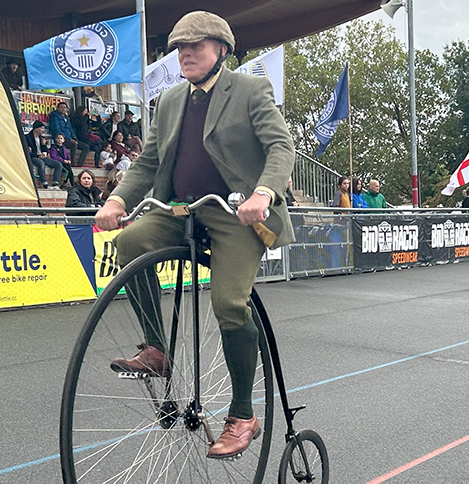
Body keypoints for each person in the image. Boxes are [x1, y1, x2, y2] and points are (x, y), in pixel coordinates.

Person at [94, 10, 295, 459]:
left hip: (234, 213)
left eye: (196, 46)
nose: (186, 53)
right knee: (128, 242)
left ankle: (243, 415)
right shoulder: (168, 100)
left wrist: (263, 192)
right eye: (180, 47)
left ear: (221, 50)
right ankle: (156, 349)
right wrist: (117, 200)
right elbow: (148, 163)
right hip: (179, 209)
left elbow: (281, 146)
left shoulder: (248, 89)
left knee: (228, 303)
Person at [25, 119, 60, 189]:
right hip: (33, 157)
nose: (43, 130)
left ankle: (55, 182)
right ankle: (44, 183)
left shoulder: (42, 138)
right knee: (41, 163)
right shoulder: (27, 138)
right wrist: (38, 155)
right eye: (41, 128)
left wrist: (44, 146)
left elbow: (45, 150)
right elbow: (27, 152)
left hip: (42, 157)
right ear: (36, 129)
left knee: (58, 164)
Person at [48, 101, 81, 166]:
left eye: (65, 107)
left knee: (85, 147)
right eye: (61, 107)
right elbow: (57, 130)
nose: (63, 109)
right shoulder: (55, 117)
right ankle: (72, 163)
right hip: (60, 139)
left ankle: (80, 164)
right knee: (73, 146)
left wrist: (74, 138)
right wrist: (68, 139)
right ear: (57, 108)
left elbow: (70, 129)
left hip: (69, 138)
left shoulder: (67, 118)